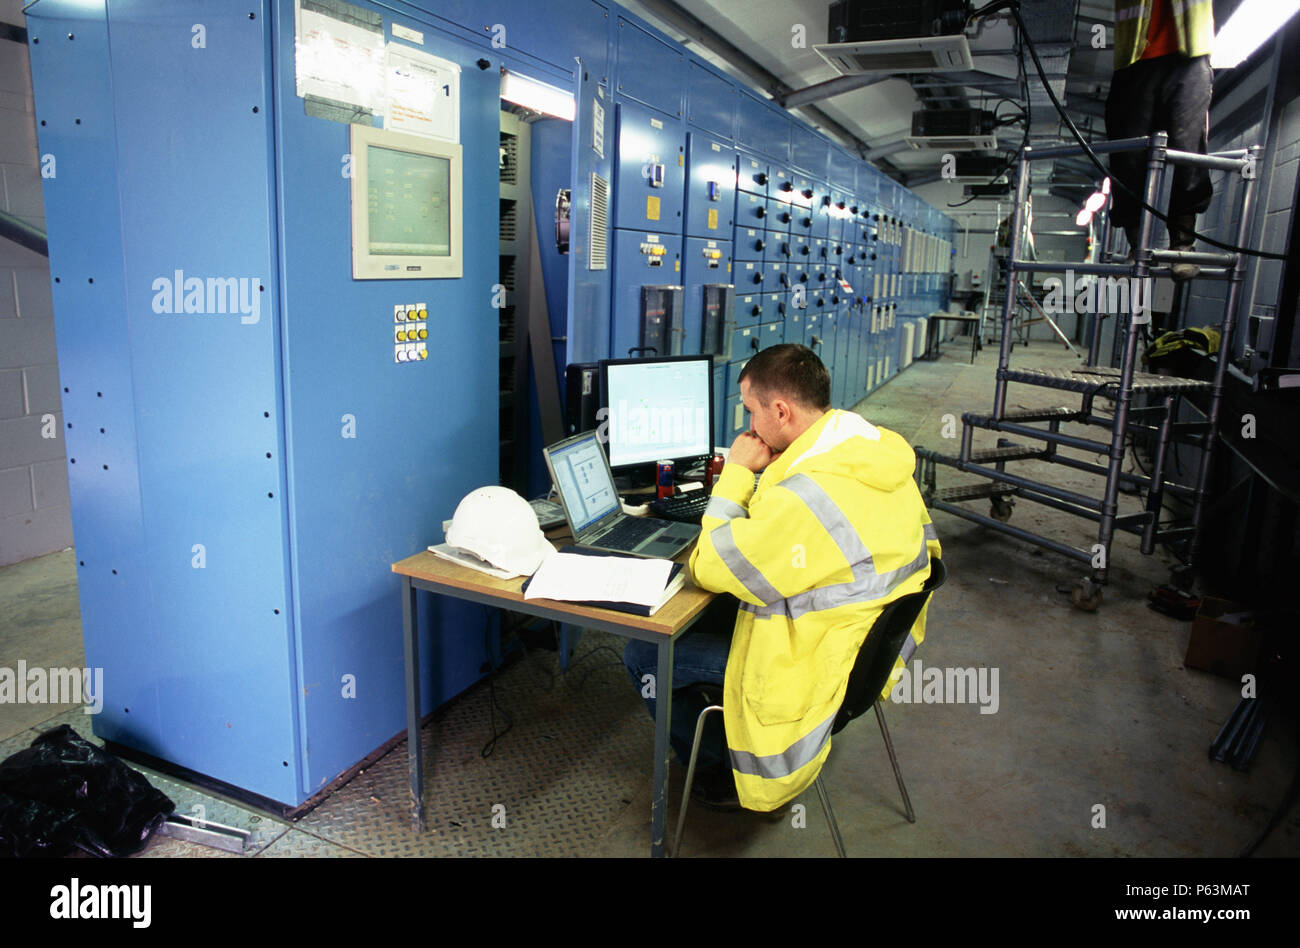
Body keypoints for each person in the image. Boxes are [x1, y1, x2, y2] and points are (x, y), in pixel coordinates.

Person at [623, 344, 941, 812]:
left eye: (751, 411)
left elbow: (710, 566)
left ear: (781, 410)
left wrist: (735, 475)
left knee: (644, 652)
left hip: (813, 663)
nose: (749, 427)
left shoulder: (808, 492)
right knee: (711, 617)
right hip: (865, 645)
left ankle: (719, 770)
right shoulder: (866, 452)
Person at [1104, 0, 1215, 280]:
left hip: (1190, 50)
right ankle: (1136, 246)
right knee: (1128, 157)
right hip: (1135, 58)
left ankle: (1182, 244)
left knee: (1188, 149)